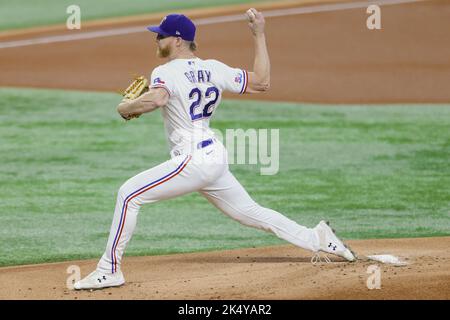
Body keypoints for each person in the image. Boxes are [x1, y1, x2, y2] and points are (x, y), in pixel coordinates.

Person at [74, 8, 355, 290]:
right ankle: (317, 237)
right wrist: (259, 35)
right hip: (213, 157)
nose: (156, 40)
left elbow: (157, 99)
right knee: (251, 212)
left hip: (194, 160)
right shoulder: (214, 68)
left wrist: (126, 108)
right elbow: (261, 82)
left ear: (178, 40)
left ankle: (109, 269)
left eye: (161, 36)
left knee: (128, 195)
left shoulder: (164, 71)